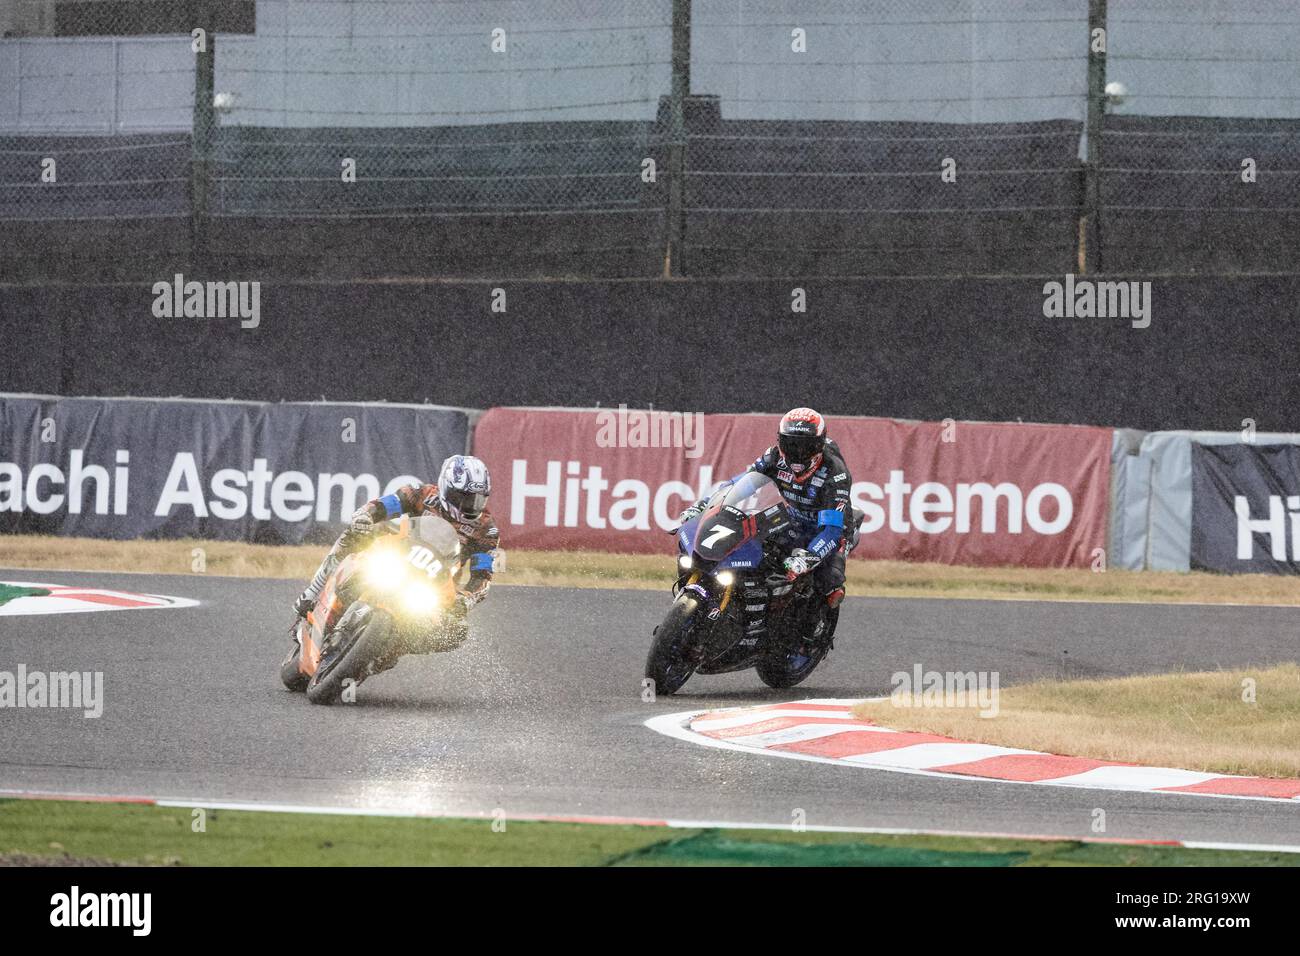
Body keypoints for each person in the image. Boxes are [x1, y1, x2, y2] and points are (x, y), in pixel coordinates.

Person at [676, 407, 857, 608]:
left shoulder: (835, 472)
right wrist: (702, 506)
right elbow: (738, 484)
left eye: (806, 447)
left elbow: (832, 531)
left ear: (820, 445)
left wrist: (810, 557)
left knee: (829, 581)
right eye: (791, 444)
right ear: (780, 441)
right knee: (759, 551)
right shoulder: (773, 457)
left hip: (827, 527)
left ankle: (813, 633)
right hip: (790, 518)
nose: (797, 453)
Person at [293, 454, 499, 623]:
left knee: (456, 631)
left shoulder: (486, 529)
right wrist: (365, 516)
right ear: (446, 488)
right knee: (353, 535)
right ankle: (312, 592)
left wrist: (467, 599)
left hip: (436, 584)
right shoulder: (422, 494)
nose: (470, 505)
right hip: (398, 555)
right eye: (463, 497)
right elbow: (384, 505)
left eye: (477, 499)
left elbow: (482, 577)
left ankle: (380, 655)